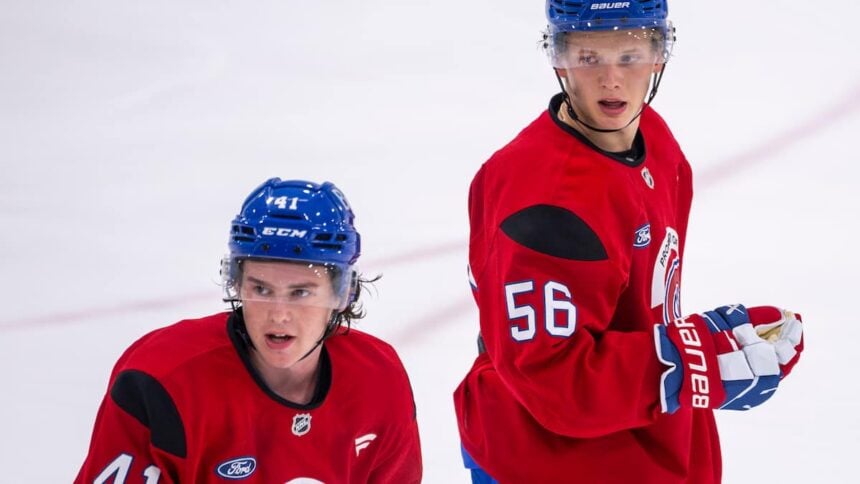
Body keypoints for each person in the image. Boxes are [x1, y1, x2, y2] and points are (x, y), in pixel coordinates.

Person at [453, 1, 804, 483]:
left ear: (660, 55)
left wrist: (693, 349)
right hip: (542, 459)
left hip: (636, 440)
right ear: (559, 59)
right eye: (589, 57)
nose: (611, 80)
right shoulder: (543, 202)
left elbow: (642, 309)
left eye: (630, 55)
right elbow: (554, 383)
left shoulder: (655, 140)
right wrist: (691, 362)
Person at [76, 178, 422, 483]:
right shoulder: (162, 380)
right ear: (237, 285)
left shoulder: (379, 381)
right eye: (261, 289)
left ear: (343, 294)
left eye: (301, 292)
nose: (279, 314)